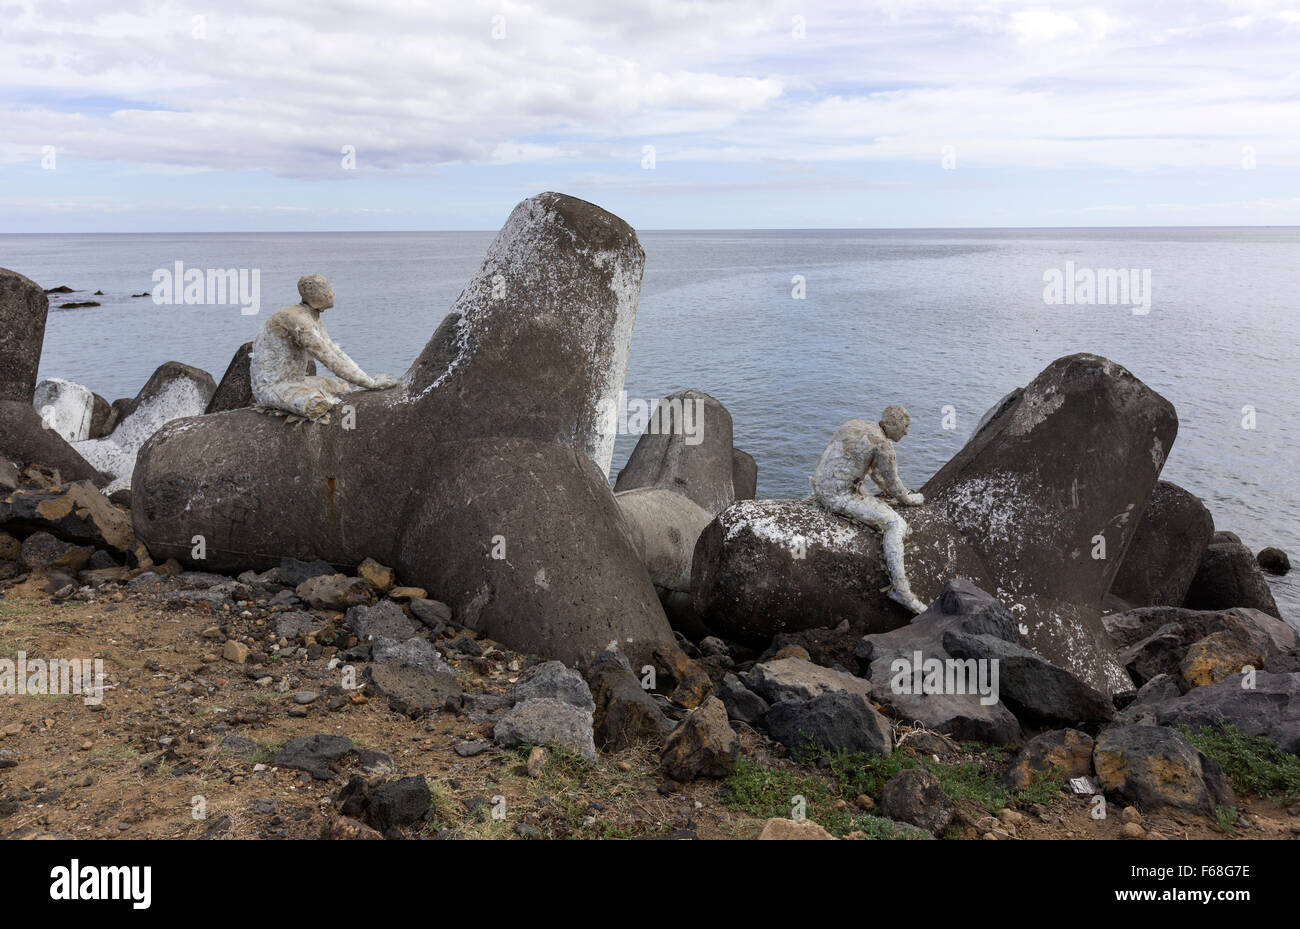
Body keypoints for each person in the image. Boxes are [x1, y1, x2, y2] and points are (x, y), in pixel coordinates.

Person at [810, 404, 928, 613]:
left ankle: (901, 590)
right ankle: (901, 590)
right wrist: (909, 499)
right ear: (893, 424)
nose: (906, 432)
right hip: (837, 496)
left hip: (821, 486)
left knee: (874, 504)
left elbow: (873, 472)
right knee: (895, 524)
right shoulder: (882, 445)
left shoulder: (854, 424)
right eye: (905, 427)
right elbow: (892, 483)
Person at [250, 274, 397, 420]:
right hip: (273, 387)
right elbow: (329, 359)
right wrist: (371, 383)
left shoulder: (313, 319)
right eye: (326, 289)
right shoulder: (297, 320)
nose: (332, 293)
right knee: (316, 404)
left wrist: (368, 380)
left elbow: (335, 352)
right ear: (314, 294)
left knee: (341, 388)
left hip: (295, 380)